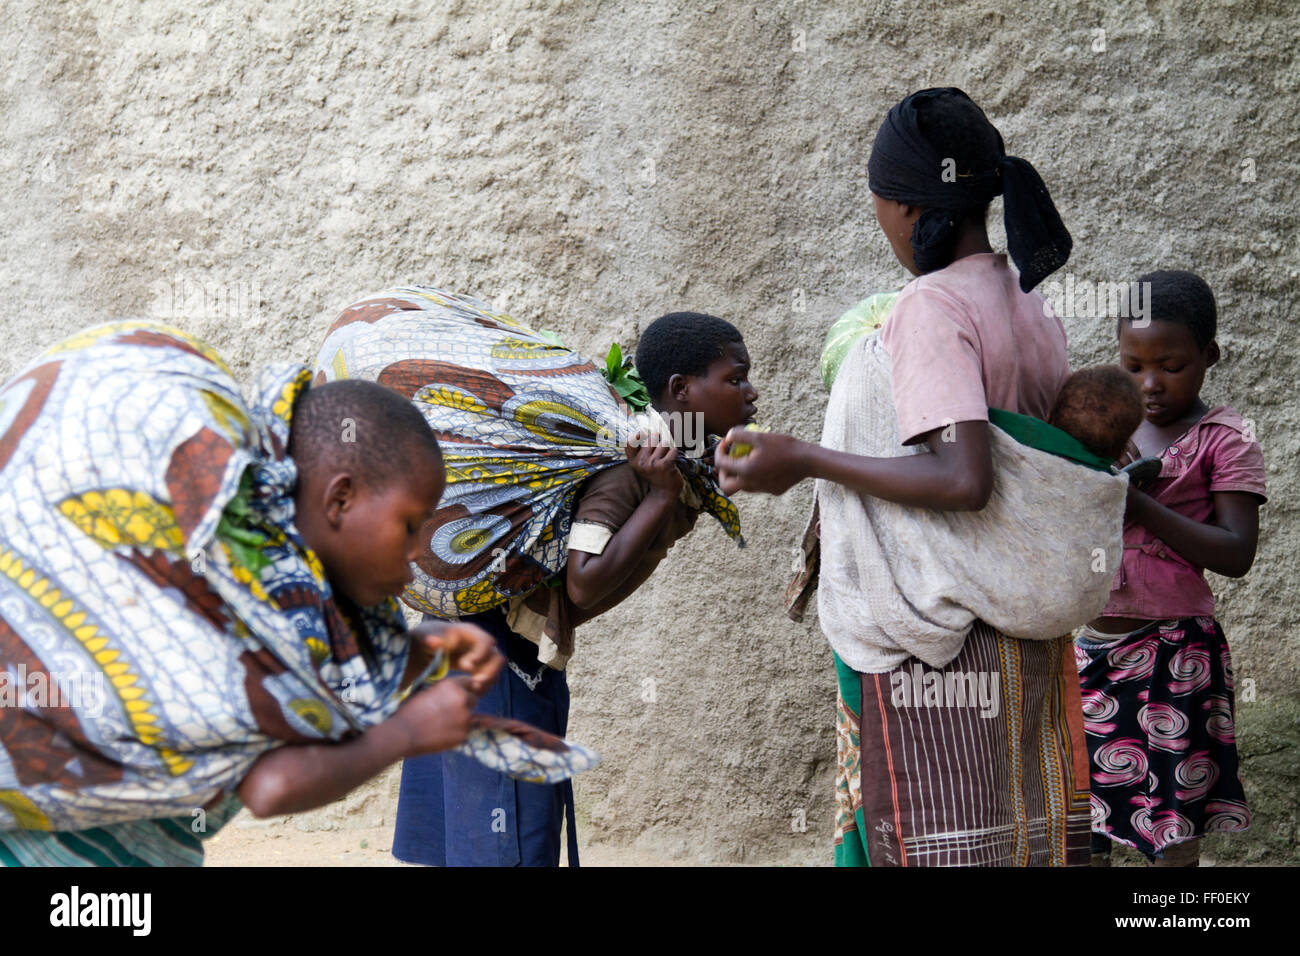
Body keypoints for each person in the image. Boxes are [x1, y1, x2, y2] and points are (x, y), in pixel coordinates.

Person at [717, 87, 1093, 866]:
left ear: (901, 206)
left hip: (945, 638)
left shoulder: (930, 307)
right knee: (1019, 834)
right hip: (1019, 626)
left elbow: (965, 479)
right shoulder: (1028, 304)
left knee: (935, 840)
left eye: (878, 204)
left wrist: (805, 459)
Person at [0, 321, 507, 866]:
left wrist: (416, 653)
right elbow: (272, 786)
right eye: (410, 525)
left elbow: (333, 680)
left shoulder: (286, 584)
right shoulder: (255, 596)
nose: (413, 553)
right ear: (340, 500)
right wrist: (407, 733)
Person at [387, 309, 758, 867]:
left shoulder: (661, 448)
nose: (751, 392)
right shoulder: (626, 464)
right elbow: (583, 582)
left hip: (464, 646)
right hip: (495, 663)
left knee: (470, 843)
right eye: (736, 378)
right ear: (682, 389)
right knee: (508, 845)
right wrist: (659, 497)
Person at [1076, 270, 1265, 867]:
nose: (1150, 385)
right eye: (1133, 368)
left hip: (1174, 655)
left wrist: (1139, 503)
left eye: (1171, 366)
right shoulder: (1106, 429)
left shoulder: (1225, 441)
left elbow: (1236, 552)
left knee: (1172, 814)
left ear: (1209, 355)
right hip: (1086, 650)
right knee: (1081, 809)